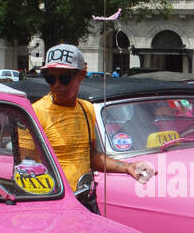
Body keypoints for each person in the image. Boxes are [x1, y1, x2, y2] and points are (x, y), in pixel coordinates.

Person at [23, 43, 154, 195]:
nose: (57, 85)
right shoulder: (34, 113)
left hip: (85, 198)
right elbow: (26, 167)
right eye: (50, 78)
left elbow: (91, 156)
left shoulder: (87, 109)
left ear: (82, 75)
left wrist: (127, 167)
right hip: (54, 201)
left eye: (64, 78)